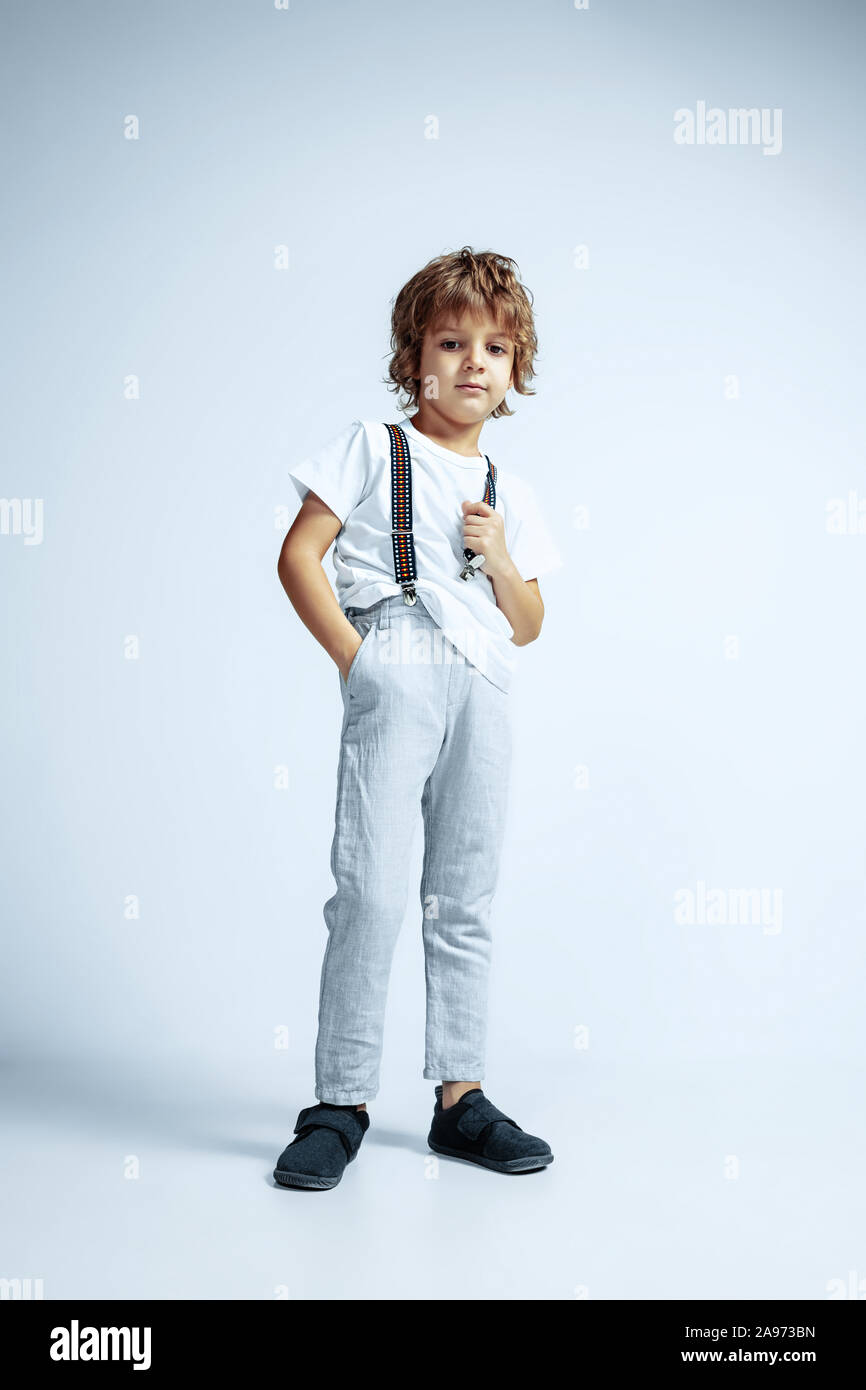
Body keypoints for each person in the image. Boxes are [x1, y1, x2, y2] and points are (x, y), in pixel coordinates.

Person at [273, 246, 563, 1189]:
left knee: (464, 895)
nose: (473, 361)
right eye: (451, 342)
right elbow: (298, 557)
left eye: (495, 346)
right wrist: (360, 662)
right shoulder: (373, 446)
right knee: (371, 891)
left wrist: (502, 558)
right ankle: (340, 1101)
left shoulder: (511, 494)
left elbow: (526, 626)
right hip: (394, 659)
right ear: (415, 359)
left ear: (515, 367)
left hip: (483, 681)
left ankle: (460, 1099)